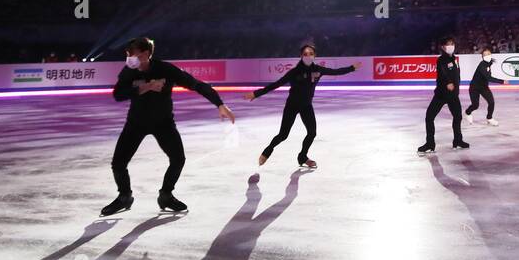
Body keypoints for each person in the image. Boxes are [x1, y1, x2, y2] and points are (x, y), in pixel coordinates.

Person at [101, 36, 235, 216]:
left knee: (178, 159)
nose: (128, 57)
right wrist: (146, 87)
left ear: (145, 54)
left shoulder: (165, 69)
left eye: (132, 53)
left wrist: (219, 104)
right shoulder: (128, 71)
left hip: (163, 123)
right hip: (136, 123)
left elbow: (196, 84)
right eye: (127, 54)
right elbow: (118, 95)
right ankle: (124, 196)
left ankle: (166, 195)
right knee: (118, 163)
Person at [248, 44, 357, 168]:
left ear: (315, 55)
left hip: (306, 106)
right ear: (301, 56)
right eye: (305, 54)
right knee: (283, 135)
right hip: (292, 106)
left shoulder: (318, 70)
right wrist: (256, 93)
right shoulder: (294, 72)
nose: (308, 56)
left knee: (312, 133)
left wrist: (352, 68)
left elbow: (336, 71)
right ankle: (267, 151)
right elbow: (276, 84)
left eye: (311, 53)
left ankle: (302, 156)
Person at [419, 37, 467, 153]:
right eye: (448, 44)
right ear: (443, 47)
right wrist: (448, 82)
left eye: (452, 44)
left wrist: (456, 89)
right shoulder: (441, 60)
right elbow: (443, 72)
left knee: (458, 117)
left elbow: (457, 75)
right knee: (429, 117)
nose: (451, 46)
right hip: (441, 94)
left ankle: (458, 140)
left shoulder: (454, 59)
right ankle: (430, 144)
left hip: (453, 95)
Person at [465, 47, 507, 125]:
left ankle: (489, 118)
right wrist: (502, 81)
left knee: (491, 102)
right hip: (474, 87)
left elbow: (490, 63)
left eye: (489, 54)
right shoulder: (482, 65)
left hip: (484, 87)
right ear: (482, 57)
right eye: (485, 55)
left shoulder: (489, 62)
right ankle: (468, 112)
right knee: (475, 105)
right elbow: (489, 78)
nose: (487, 55)